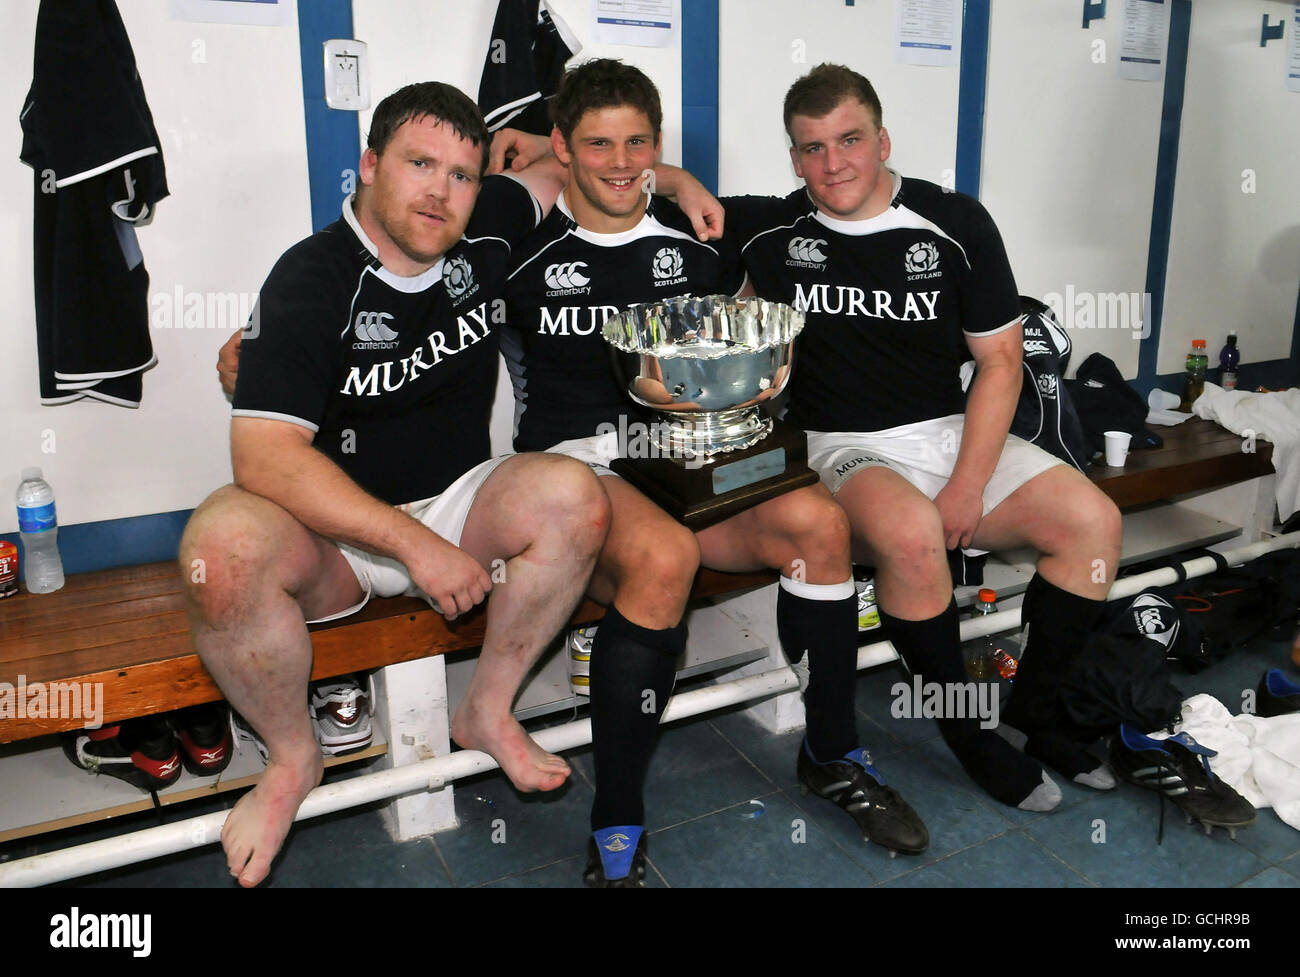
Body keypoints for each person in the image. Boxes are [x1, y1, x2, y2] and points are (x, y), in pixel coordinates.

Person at [495, 59, 927, 887]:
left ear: (658, 145)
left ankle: (832, 754)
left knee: (819, 524)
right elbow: (428, 240)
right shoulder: (519, 242)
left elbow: (756, 323)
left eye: (638, 142)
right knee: (665, 557)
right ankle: (616, 813)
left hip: (691, 457)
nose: (620, 163)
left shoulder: (696, 234)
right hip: (579, 468)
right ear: (562, 146)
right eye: (597, 144)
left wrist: (765, 387)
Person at [185, 82, 620, 888]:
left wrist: (683, 183)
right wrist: (412, 545)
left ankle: (487, 707)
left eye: (462, 174)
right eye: (420, 164)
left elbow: (588, 169)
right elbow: (266, 459)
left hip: (456, 502)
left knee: (573, 495)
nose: (441, 191)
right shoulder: (310, 278)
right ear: (370, 166)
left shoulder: (482, 239)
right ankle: (291, 756)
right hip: (337, 538)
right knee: (221, 544)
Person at [720, 64, 1124, 809]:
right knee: (911, 535)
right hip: (840, 443)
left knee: (1093, 522)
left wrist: (968, 484)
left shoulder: (955, 223)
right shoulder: (772, 229)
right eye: (810, 148)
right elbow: (638, 179)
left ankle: (1031, 718)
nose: (832, 163)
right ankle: (970, 735)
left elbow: (1001, 362)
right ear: (793, 157)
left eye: (849, 140)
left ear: (882, 139)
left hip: (947, 432)